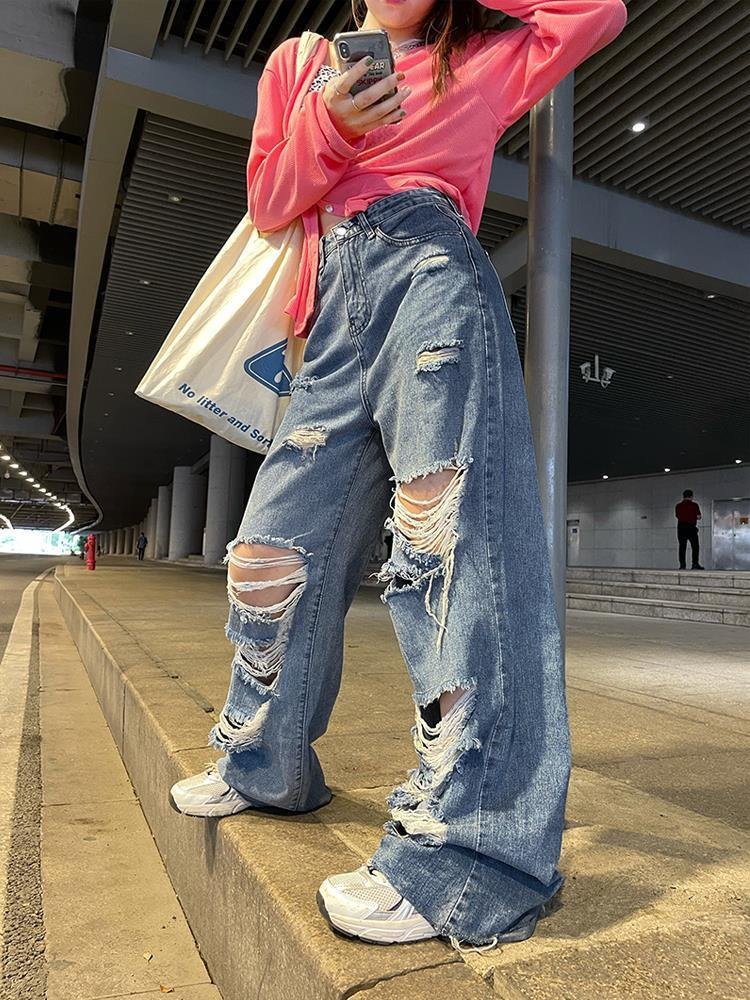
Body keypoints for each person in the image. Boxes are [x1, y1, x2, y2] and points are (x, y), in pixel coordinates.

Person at [170, 0, 628, 950]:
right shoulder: (299, 62)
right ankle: (263, 759)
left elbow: (600, 9)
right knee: (270, 549)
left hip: (432, 279)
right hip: (330, 310)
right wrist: (332, 121)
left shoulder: (491, 53)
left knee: (449, 539)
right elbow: (269, 199)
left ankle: (472, 855)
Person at [675, 489, 704, 570]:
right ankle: (695, 564)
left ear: (683, 496)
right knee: (695, 546)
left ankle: (682, 565)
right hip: (691, 527)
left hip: (681, 528)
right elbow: (699, 517)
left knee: (682, 547)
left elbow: (677, 516)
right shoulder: (694, 505)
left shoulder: (678, 506)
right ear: (691, 496)